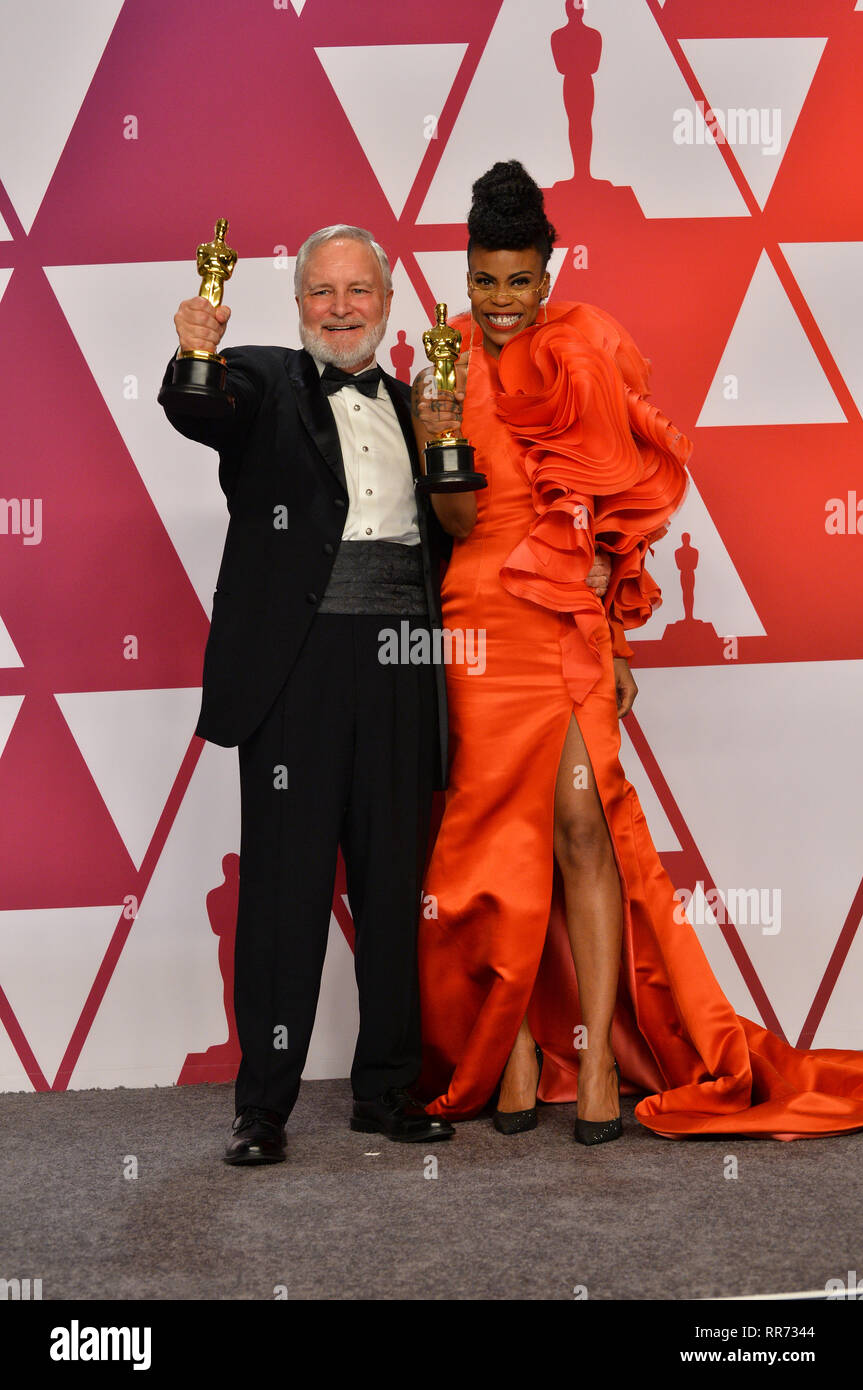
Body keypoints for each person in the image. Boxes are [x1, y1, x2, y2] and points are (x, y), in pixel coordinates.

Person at [412, 161, 863, 1143]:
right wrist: (441, 438)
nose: (500, 302)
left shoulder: (589, 345)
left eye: (518, 280)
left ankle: (596, 1062)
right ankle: (519, 1051)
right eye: (484, 280)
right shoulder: (437, 362)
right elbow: (452, 519)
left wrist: (613, 636)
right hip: (480, 617)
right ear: (465, 272)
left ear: (548, 269)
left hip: (567, 619)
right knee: (501, 843)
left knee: (582, 828)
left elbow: (618, 518)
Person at [160, 224, 459, 1164]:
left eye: (357, 292)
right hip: (295, 673)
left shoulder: (422, 405)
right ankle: (264, 1109)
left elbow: (454, 530)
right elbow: (197, 408)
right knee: (284, 896)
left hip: (402, 667)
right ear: (297, 308)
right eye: (321, 293)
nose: (340, 308)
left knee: (390, 889)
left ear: (386, 302)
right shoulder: (259, 381)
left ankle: (386, 1090)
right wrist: (195, 350)